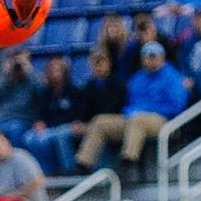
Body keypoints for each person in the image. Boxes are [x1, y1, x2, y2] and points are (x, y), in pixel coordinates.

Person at [76, 42, 187, 173]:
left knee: (138, 119)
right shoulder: (137, 78)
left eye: (154, 56)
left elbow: (177, 106)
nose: (151, 60)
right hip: (133, 118)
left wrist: (147, 111)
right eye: (148, 57)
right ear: (142, 59)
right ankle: (83, 163)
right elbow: (128, 103)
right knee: (100, 121)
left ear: (162, 58)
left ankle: (129, 159)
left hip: (163, 120)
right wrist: (131, 112)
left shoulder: (172, 77)